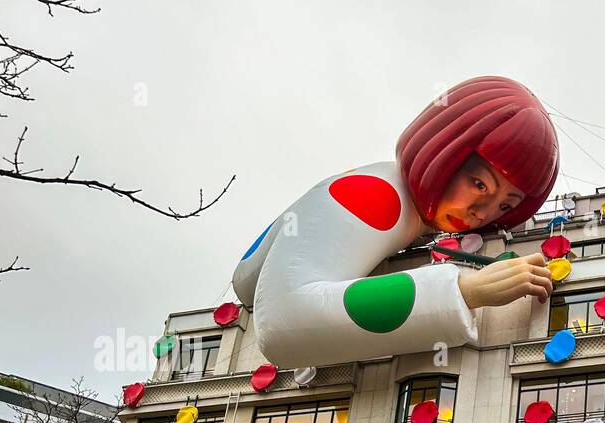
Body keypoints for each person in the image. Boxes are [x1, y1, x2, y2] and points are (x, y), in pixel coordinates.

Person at [232, 76, 560, 370]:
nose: (483, 212)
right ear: (447, 153)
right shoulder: (376, 198)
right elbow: (280, 319)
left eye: (505, 205)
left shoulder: (381, 188)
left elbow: (246, 278)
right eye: (479, 185)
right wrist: (465, 290)